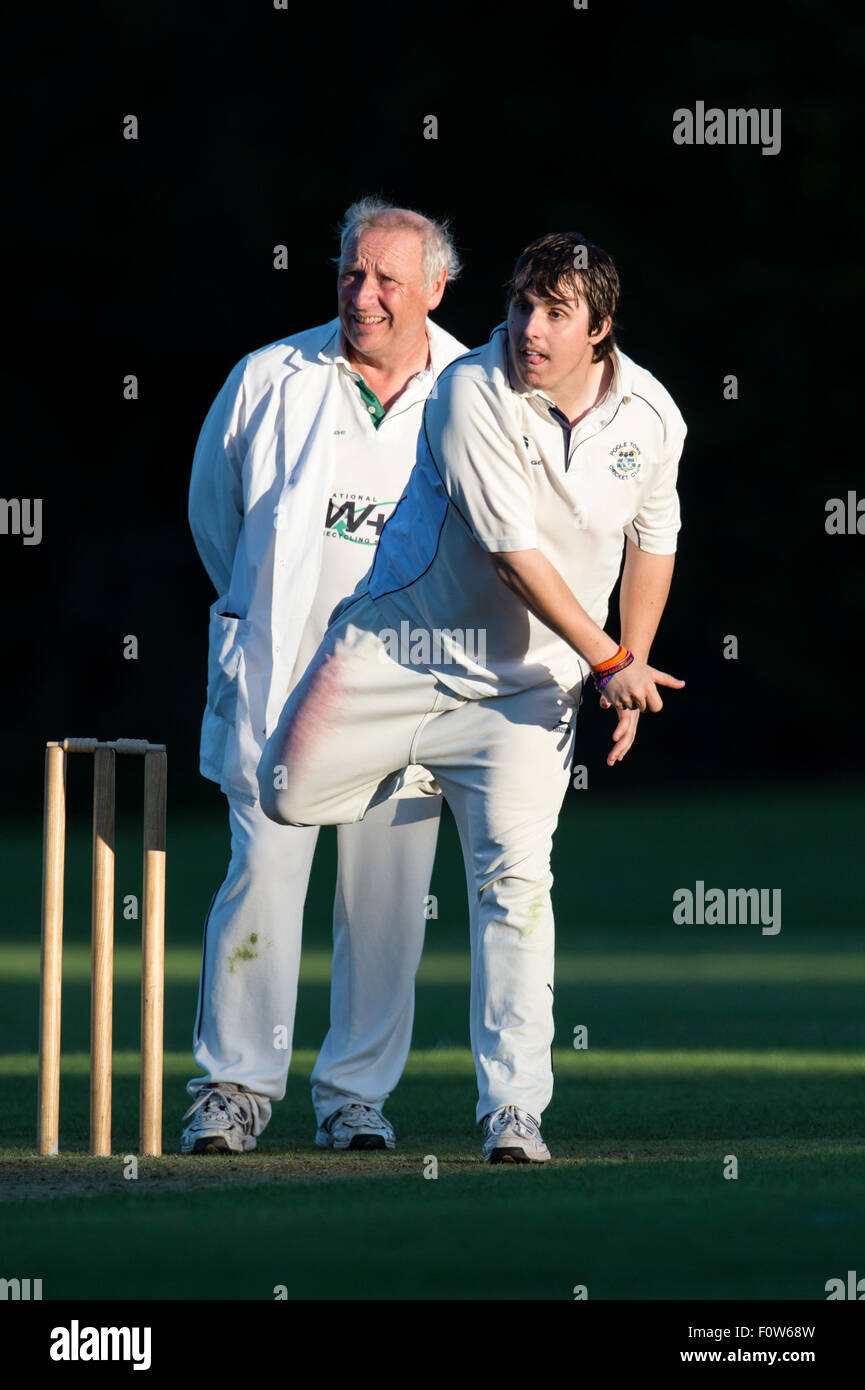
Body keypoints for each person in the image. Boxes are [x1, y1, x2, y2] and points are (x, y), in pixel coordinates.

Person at [258, 231, 687, 1163]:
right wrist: (612, 657)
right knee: (283, 790)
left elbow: (653, 538)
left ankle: (512, 1113)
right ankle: (404, 766)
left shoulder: (651, 415)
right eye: (522, 305)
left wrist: (630, 668)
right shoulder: (468, 393)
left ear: (601, 330)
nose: (528, 329)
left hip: (526, 693)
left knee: (515, 890)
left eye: (555, 313)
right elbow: (511, 556)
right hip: (399, 652)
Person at [182, 198, 466, 1155]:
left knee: (386, 900)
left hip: (409, 685)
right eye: (351, 272)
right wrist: (263, 611)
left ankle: (354, 1098)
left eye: (389, 277)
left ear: (434, 287)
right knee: (261, 875)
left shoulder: (473, 390)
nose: (365, 294)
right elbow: (214, 516)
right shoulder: (270, 376)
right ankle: (233, 1089)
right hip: (279, 674)